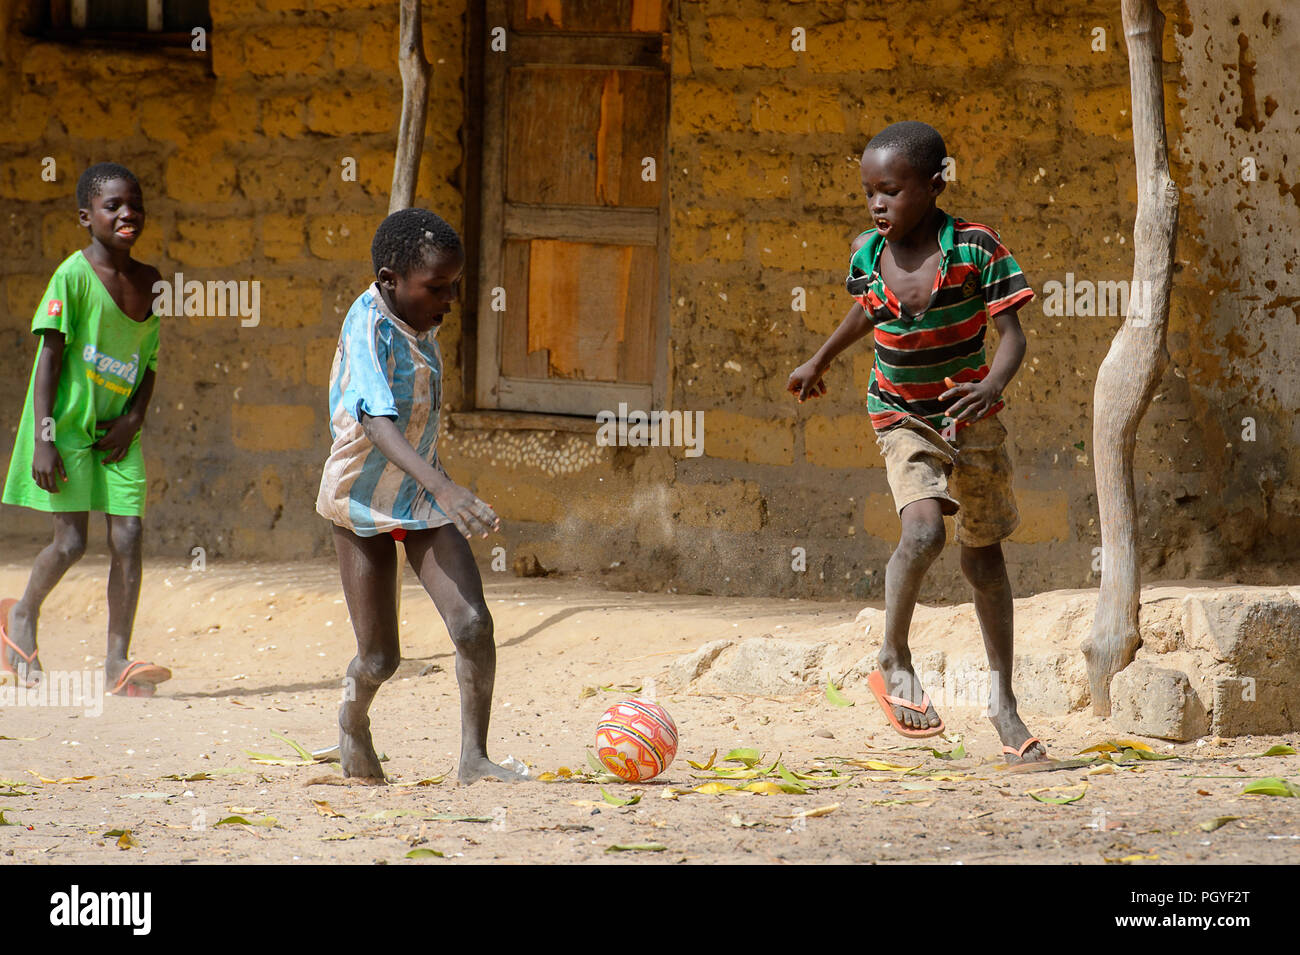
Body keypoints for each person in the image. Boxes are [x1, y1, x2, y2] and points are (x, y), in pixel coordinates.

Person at [788, 121, 1046, 763]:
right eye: (870, 192)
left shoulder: (976, 248)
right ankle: (893, 656)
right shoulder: (867, 253)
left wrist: (992, 384)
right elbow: (866, 309)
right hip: (901, 413)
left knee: (984, 557)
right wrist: (819, 359)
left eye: (892, 191)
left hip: (971, 414)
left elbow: (1011, 333)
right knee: (925, 531)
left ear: (934, 185)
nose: (878, 204)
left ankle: (1002, 703)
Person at [316, 207, 525, 784]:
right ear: (389, 281)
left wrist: (434, 488)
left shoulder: (419, 320)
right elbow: (379, 423)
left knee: (472, 625)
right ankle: (352, 723)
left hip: (421, 499)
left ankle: (474, 759)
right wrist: (447, 487)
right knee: (381, 658)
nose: (450, 299)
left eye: (454, 285)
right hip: (361, 503)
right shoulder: (366, 328)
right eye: (438, 287)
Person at [1, 162, 170, 697]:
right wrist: (45, 439)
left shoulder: (153, 283)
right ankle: (21, 616)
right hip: (67, 428)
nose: (126, 213)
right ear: (85, 216)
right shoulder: (71, 277)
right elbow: (49, 361)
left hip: (121, 429)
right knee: (72, 541)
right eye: (112, 205)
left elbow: (151, 364)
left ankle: (116, 660)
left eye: (134, 204)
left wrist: (134, 418)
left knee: (129, 534)